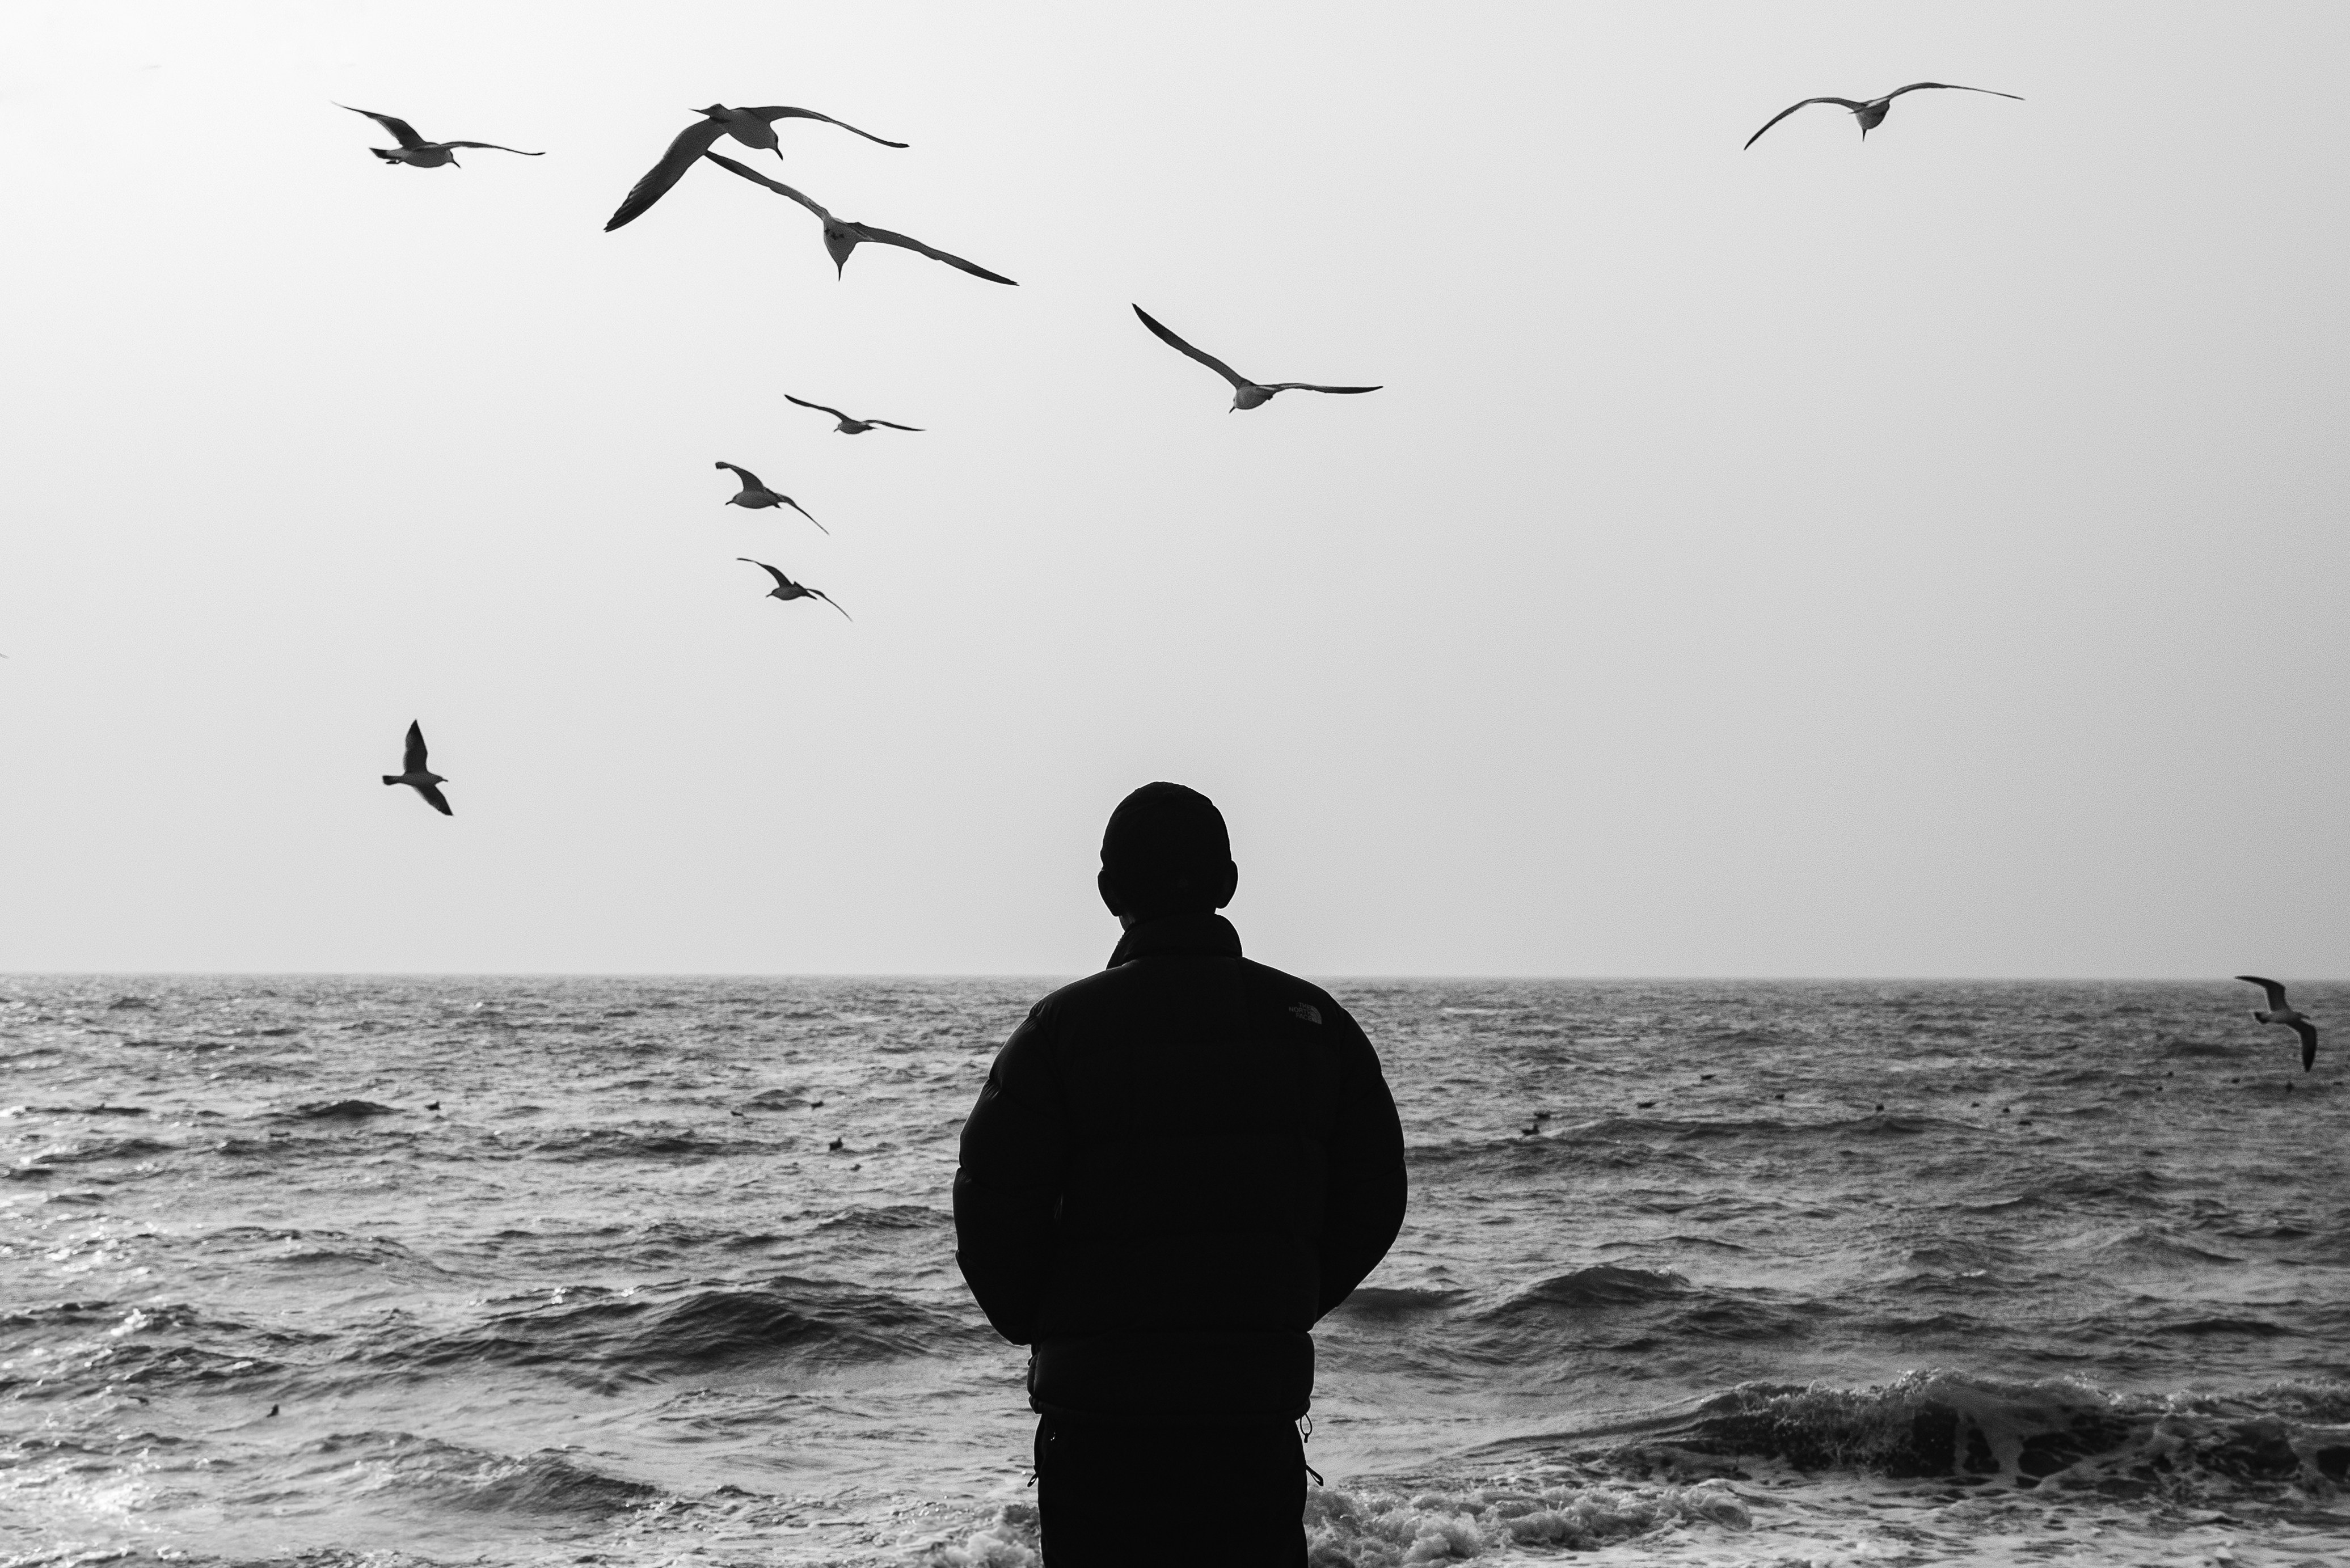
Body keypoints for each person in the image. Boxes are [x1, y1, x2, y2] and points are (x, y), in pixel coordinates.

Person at [952, 783, 1408, 1567]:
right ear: (1228, 883)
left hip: (1098, 1421)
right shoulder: (1314, 1026)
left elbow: (991, 1212)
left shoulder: (1059, 1032)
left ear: (1109, 892)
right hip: (1250, 1415)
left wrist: (1053, 1324)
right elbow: (1374, 1198)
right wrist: (1280, 1302)